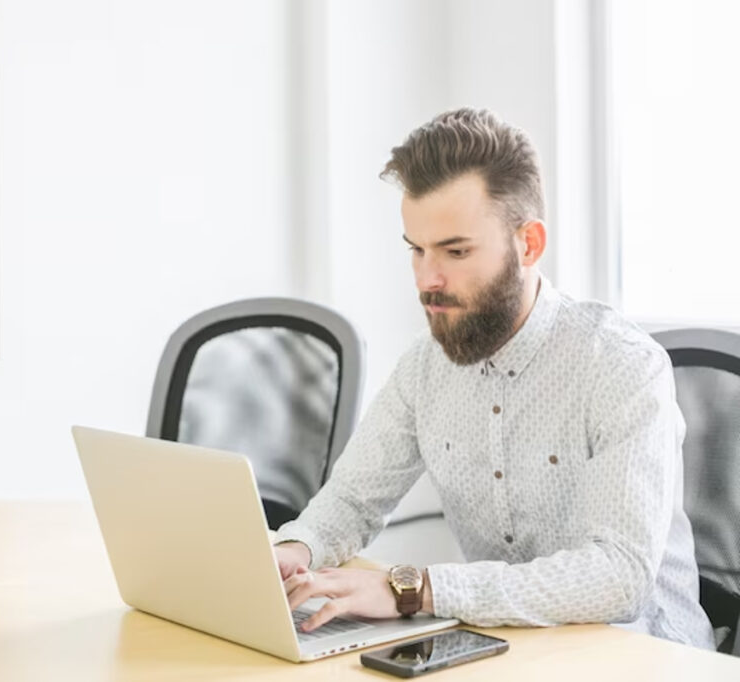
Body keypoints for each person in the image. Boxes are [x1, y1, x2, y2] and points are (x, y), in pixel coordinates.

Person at [273, 108, 715, 649]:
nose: (427, 279)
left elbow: (617, 575)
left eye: (456, 251)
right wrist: (292, 554)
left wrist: (413, 590)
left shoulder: (619, 364)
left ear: (528, 244)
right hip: (509, 649)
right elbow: (352, 501)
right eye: (417, 249)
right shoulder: (424, 367)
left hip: (643, 655)